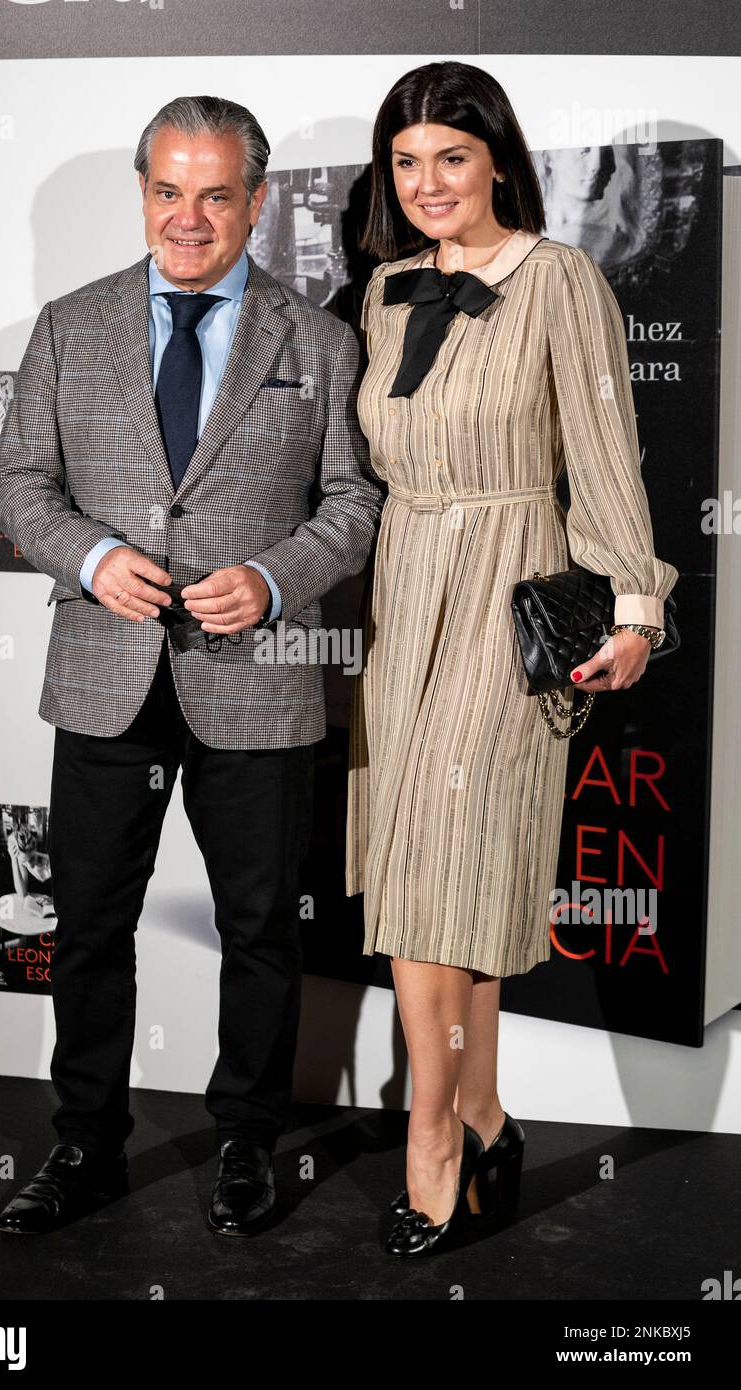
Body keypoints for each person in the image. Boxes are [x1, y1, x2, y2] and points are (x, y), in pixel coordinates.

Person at [0, 95, 383, 1237]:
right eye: (169, 191)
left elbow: (354, 503)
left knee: (261, 928)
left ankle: (248, 1142)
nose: (190, 218)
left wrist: (270, 581)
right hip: (105, 672)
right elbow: (14, 485)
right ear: (143, 193)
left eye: (216, 194)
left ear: (256, 201)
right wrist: (94, 555)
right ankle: (84, 1146)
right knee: (93, 927)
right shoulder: (70, 325)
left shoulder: (317, 339)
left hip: (255, 679)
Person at [345, 61, 679, 1258]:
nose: (427, 182)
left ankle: (431, 1140)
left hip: (508, 594)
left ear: (495, 162)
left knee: (439, 881)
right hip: (404, 595)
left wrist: (634, 609)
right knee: (449, 877)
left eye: (450, 155)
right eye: (405, 161)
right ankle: (483, 1112)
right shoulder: (383, 290)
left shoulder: (558, 279)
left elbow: (602, 453)